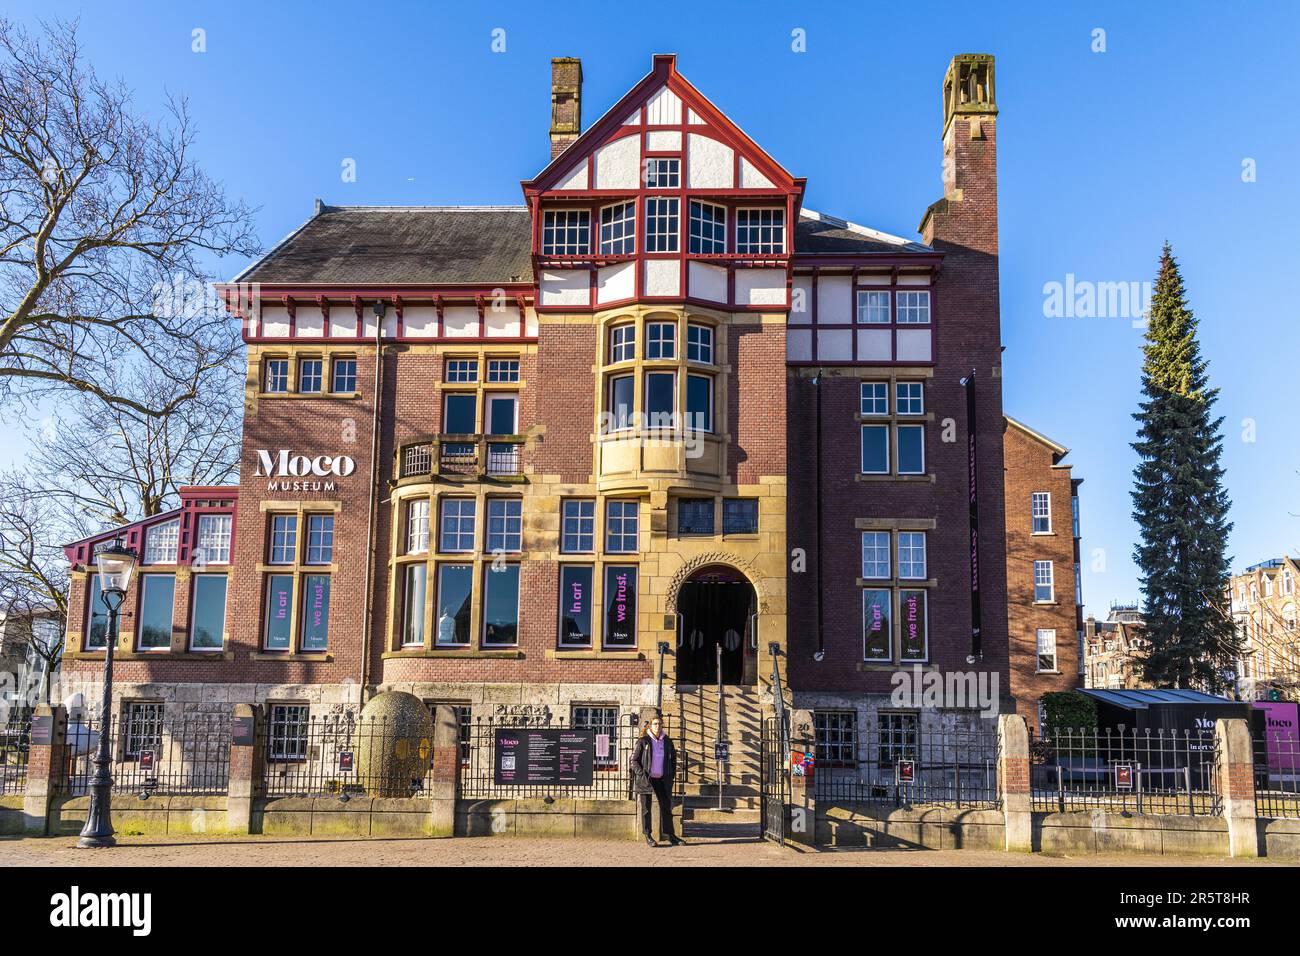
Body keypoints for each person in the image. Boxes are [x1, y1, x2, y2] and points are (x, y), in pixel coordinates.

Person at [630, 713, 681, 847]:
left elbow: (673, 760)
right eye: (655, 724)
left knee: (666, 807)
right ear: (650, 726)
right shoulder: (643, 741)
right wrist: (641, 774)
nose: (658, 726)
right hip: (647, 779)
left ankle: (670, 834)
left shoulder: (667, 741)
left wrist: (671, 774)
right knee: (646, 808)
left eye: (659, 724)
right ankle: (648, 835)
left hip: (662, 779)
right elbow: (633, 761)